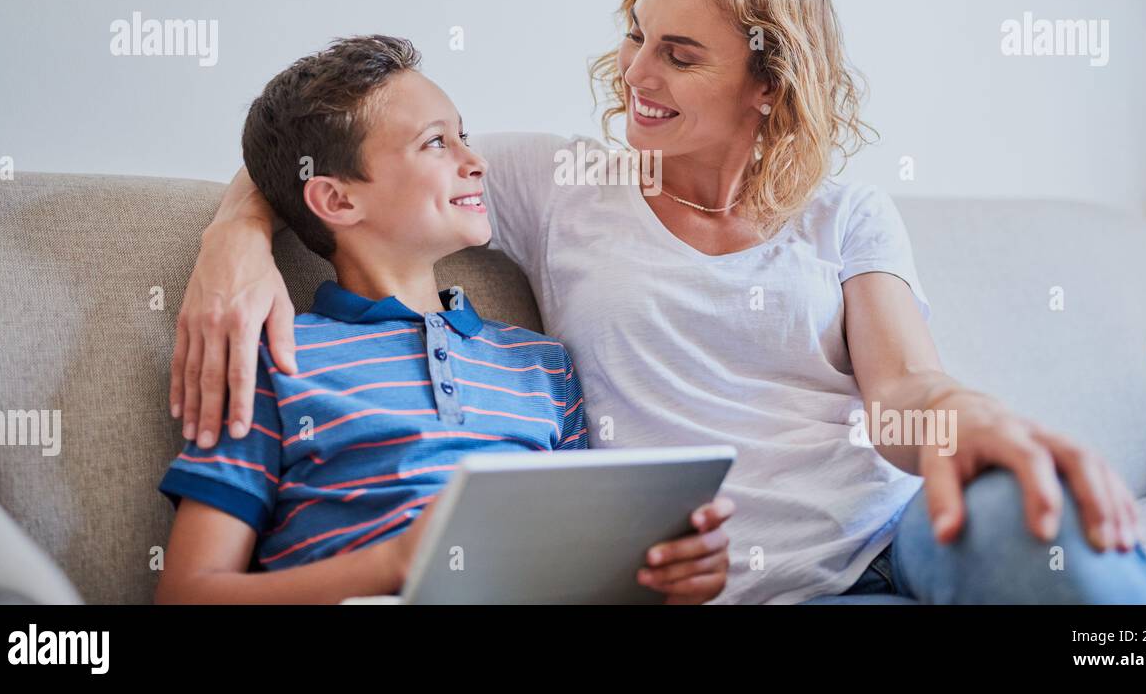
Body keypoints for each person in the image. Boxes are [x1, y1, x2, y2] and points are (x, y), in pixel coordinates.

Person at [171, 0, 1146, 603]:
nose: (633, 75)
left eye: (679, 56)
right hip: (719, 584)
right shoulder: (563, 180)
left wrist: (970, 417)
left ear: (768, 84)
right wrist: (236, 240)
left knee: (1060, 539)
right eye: (635, 36)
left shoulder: (845, 215)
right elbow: (333, 150)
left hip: (886, 536)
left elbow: (902, 386)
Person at [155, 34, 733, 604]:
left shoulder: (540, 364)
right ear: (336, 201)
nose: (476, 161)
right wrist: (393, 564)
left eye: (464, 135)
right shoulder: (273, 358)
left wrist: (668, 581)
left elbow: (581, 564)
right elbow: (189, 593)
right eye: (436, 144)